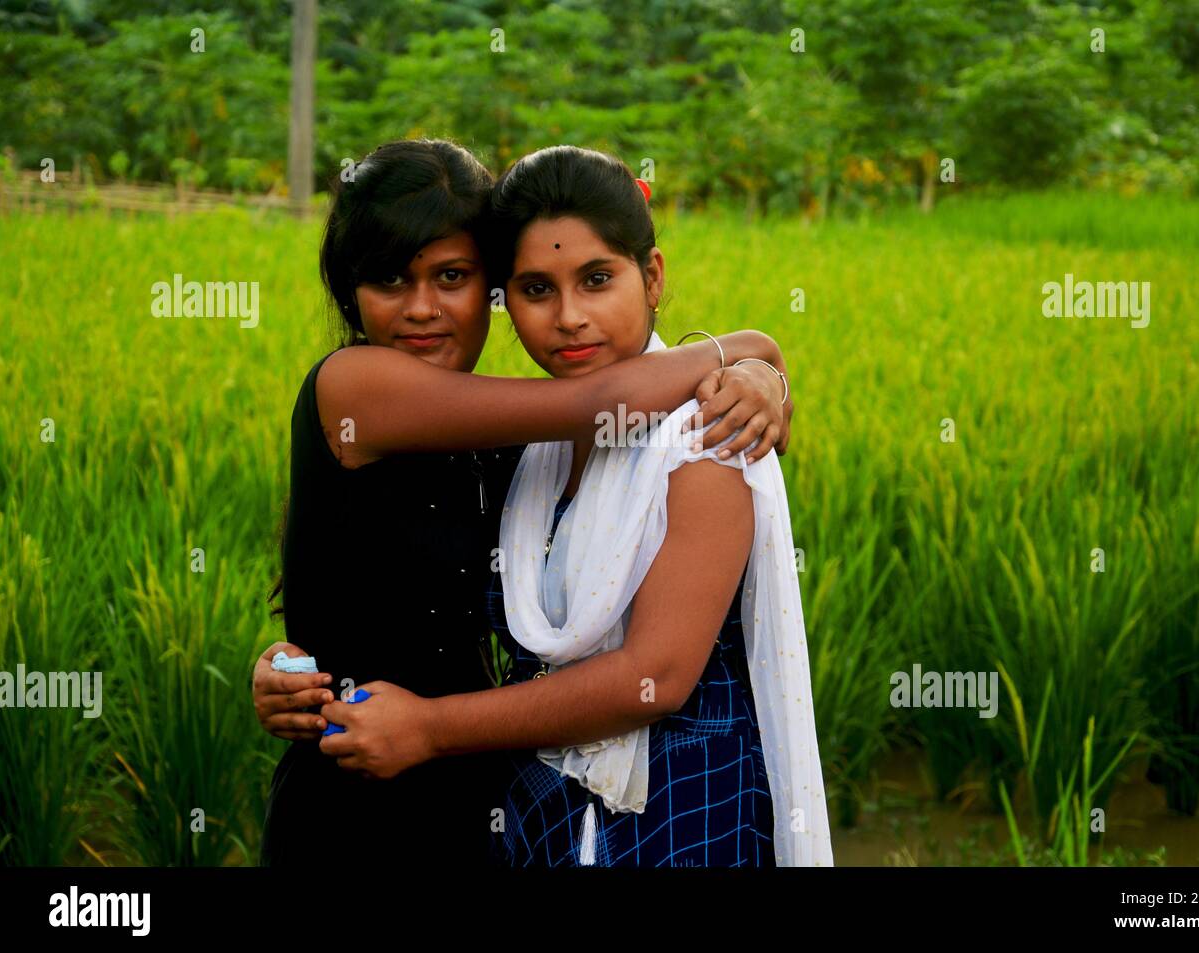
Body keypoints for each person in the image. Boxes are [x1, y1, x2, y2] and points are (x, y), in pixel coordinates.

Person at [251, 138, 793, 866]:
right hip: (359, 800)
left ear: (490, 287)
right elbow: (598, 398)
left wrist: (756, 375)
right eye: (388, 279)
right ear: (352, 293)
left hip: (486, 803)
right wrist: (755, 351)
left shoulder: (516, 449)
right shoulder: (354, 387)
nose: (422, 309)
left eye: (452, 276)